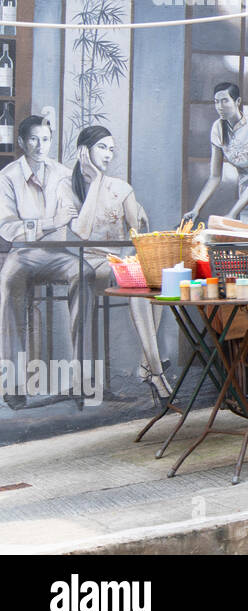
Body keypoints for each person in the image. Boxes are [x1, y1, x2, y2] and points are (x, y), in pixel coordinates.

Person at [63, 126, 172, 404]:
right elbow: (83, 232)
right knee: (135, 281)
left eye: (112, 149)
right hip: (85, 263)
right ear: (83, 152)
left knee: (156, 280)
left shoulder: (121, 188)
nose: (109, 155)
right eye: (102, 147)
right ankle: (155, 371)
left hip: (118, 263)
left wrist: (139, 215)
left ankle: (148, 366)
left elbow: (138, 232)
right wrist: (97, 180)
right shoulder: (67, 187)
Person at [0, 115, 81, 406]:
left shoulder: (63, 173)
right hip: (22, 253)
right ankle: (14, 384)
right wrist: (49, 222)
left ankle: (79, 376)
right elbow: (8, 228)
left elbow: (75, 219)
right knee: (8, 283)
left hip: (58, 254)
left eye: (45, 139)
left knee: (84, 273)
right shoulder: (7, 177)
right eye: (33, 139)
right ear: (21, 142)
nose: (40, 145)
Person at [181, 81, 248, 229]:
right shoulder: (217, 128)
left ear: (237, 101)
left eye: (225, 101)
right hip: (244, 198)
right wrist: (196, 209)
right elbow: (215, 177)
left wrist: (232, 213)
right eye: (216, 102)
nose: (220, 107)